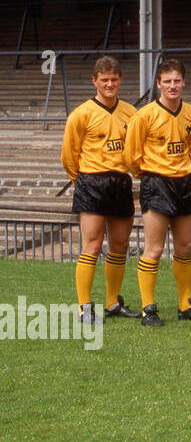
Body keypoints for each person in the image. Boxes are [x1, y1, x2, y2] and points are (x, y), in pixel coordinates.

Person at [123, 58, 191, 326]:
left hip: (186, 183)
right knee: (154, 248)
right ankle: (148, 308)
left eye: (177, 81)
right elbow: (131, 157)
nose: (173, 86)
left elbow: (190, 150)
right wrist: (151, 174)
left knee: (185, 247)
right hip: (157, 183)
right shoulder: (144, 116)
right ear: (158, 84)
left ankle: (185, 304)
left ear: (183, 83)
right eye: (167, 81)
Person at [61, 56, 139, 324]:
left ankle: (112, 302)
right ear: (95, 81)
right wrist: (82, 181)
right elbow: (69, 157)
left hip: (120, 181)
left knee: (119, 245)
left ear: (120, 80)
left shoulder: (130, 112)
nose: (109, 84)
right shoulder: (81, 114)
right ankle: (84, 307)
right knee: (92, 246)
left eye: (114, 79)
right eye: (104, 80)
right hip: (92, 182)